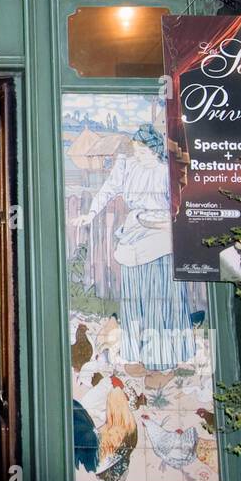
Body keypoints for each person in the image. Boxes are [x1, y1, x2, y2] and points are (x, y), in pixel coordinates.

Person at [74, 122, 195, 373]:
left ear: (154, 149)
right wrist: (90, 213)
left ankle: (163, 357)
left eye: (143, 150)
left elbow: (183, 203)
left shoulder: (167, 170)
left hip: (162, 233)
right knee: (134, 294)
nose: (138, 153)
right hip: (134, 231)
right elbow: (108, 189)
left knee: (159, 296)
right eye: (136, 149)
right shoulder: (127, 165)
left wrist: (168, 222)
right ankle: (136, 352)